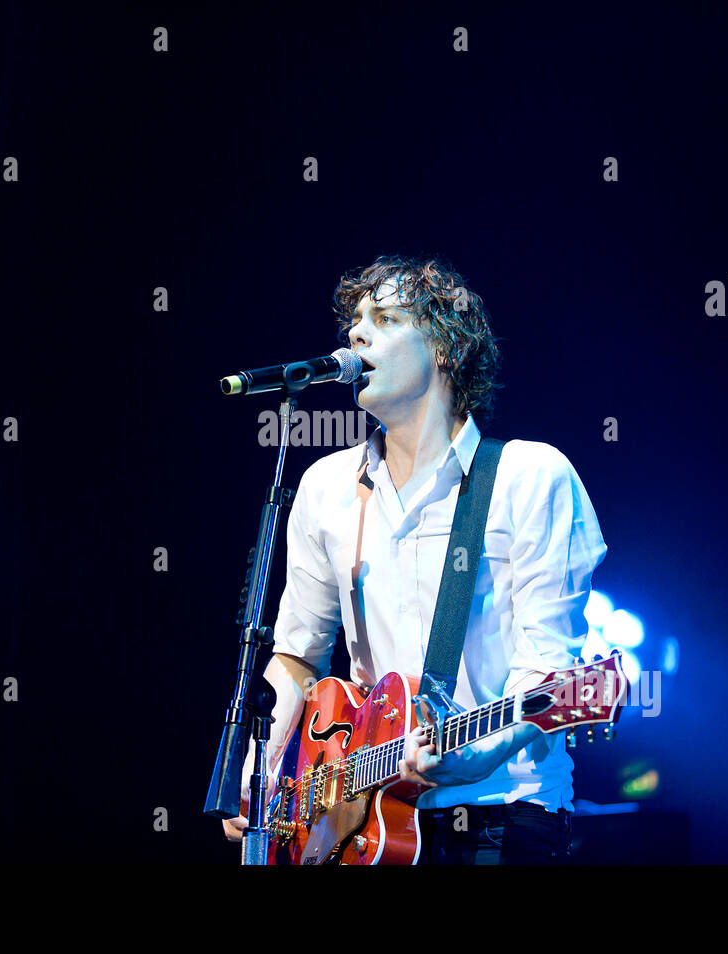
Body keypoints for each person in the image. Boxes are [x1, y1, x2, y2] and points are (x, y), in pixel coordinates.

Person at [222, 255, 608, 863]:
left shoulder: (529, 476)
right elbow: (297, 655)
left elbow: (546, 674)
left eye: (385, 318)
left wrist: (462, 759)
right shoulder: (325, 486)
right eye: (353, 322)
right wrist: (261, 774)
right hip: (355, 825)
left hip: (499, 813)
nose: (355, 333)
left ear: (446, 350)